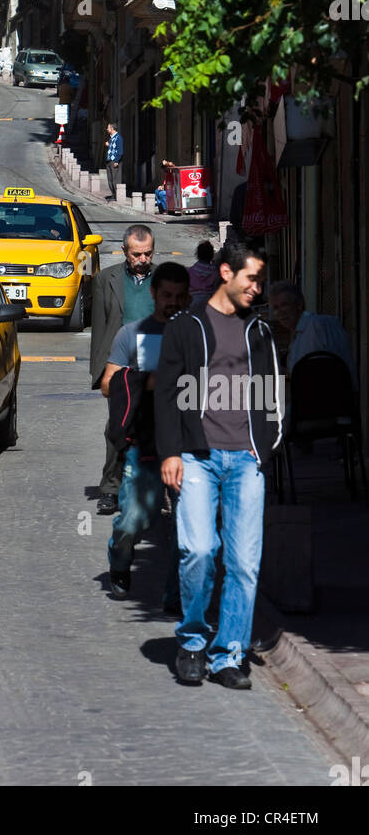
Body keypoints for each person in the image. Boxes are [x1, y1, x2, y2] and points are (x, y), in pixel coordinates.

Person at [155, 238, 283, 689]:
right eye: (252, 278)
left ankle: (229, 654)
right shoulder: (185, 327)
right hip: (197, 458)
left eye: (260, 281)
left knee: (245, 563)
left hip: (246, 461)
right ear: (227, 273)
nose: (257, 288)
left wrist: (264, 450)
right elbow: (167, 396)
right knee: (200, 551)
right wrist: (171, 451)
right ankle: (192, 643)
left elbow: (273, 396)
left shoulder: (261, 333)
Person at [101, 263, 190, 606]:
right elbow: (109, 386)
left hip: (188, 445)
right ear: (153, 294)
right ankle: (120, 560)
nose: (173, 302)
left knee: (186, 527)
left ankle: (176, 595)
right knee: (135, 520)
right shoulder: (131, 334)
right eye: (167, 295)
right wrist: (145, 381)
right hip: (145, 445)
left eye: (180, 296)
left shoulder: (198, 335)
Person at [90, 224, 156, 514]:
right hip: (121, 366)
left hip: (155, 364)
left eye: (148, 254)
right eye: (137, 254)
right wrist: (100, 372)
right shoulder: (107, 279)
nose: (143, 260)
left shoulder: (162, 280)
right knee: (117, 429)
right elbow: (100, 327)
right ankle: (110, 489)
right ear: (124, 251)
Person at [268, 282, 358, 390]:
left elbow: (341, 368)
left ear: (299, 304)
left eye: (284, 305)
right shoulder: (296, 340)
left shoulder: (320, 324)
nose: (280, 312)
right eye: (276, 308)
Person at [104, 122, 123, 202]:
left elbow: (120, 151)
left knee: (115, 179)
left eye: (108, 128)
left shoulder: (118, 138)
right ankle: (113, 194)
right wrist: (108, 144)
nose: (107, 129)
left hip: (114, 161)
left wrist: (116, 160)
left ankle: (116, 195)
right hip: (109, 160)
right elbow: (112, 147)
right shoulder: (111, 138)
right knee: (110, 179)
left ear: (112, 129)